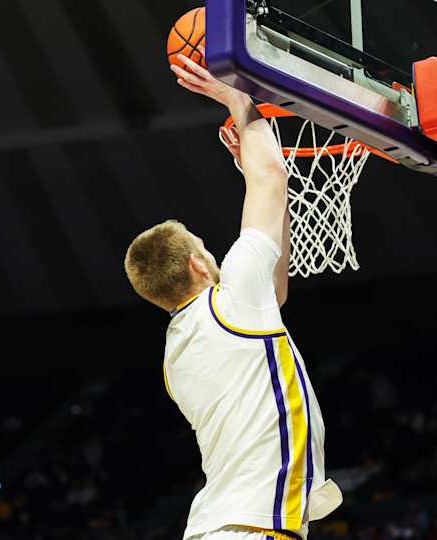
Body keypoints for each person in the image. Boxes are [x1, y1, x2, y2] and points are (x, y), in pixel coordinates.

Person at [124, 49, 342, 540]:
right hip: (250, 527)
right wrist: (237, 101)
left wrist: (252, 171)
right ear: (200, 264)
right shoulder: (229, 302)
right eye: (206, 249)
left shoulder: (177, 353)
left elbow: (275, 289)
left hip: (223, 526)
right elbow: (274, 177)